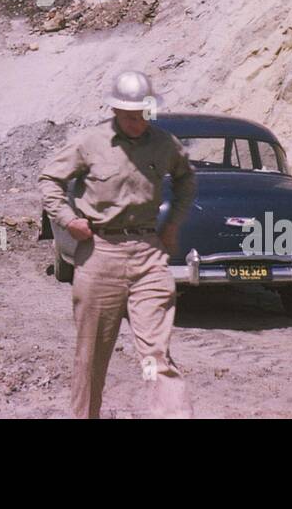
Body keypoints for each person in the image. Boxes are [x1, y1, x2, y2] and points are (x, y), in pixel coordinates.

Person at [38, 69, 196, 418]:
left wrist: (172, 224)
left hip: (149, 256)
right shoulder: (88, 143)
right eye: (129, 116)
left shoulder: (165, 144)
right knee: (91, 355)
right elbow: (49, 179)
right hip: (100, 255)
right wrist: (68, 220)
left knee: (156, 355)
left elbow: (186, 178)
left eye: (143, 115)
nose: (137, 122)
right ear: (115, 112)